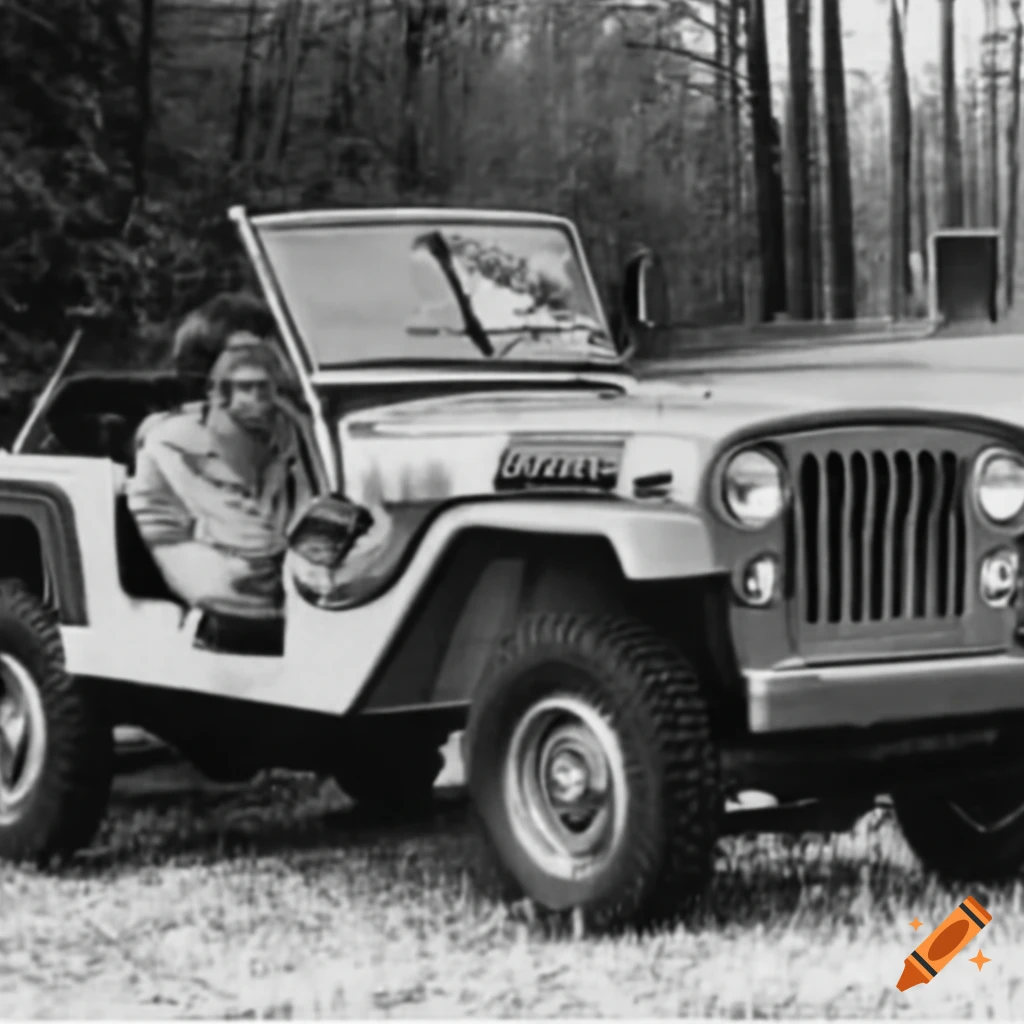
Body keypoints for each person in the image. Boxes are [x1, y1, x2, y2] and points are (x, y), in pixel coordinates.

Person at [126, 324, 315, 614]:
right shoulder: (175, 441)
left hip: (289, 570)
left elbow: (313, 501)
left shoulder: (293, 433)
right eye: (246, 386)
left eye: (264, 386)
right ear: (217, 384)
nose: (257, 399)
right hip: (203, 566)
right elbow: (162, 528)